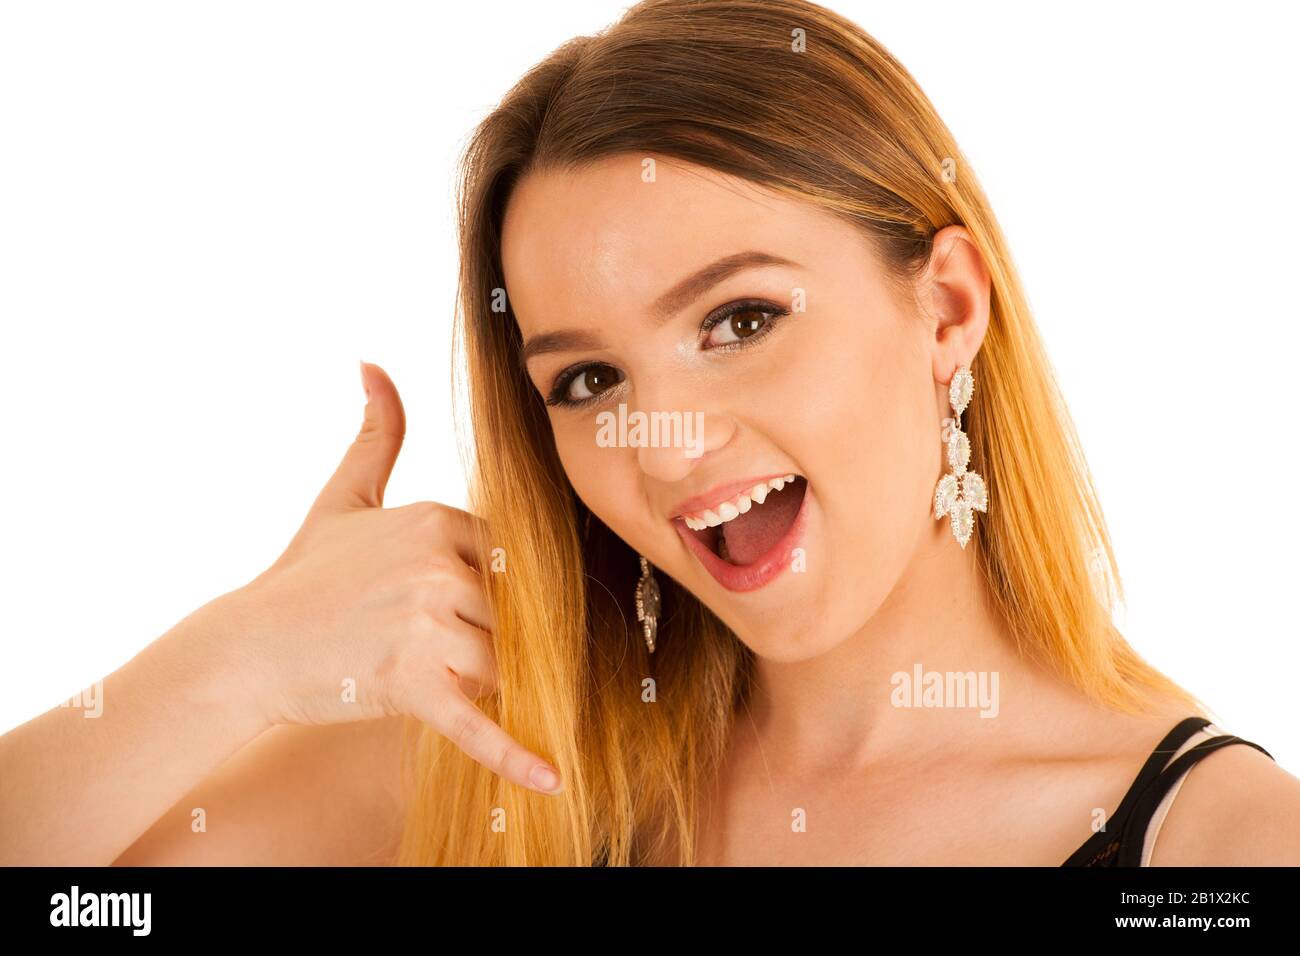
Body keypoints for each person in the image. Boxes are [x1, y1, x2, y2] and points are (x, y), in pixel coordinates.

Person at [3, 0, 1298, 867]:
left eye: (740, 319)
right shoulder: (501, 767)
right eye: (586, 381)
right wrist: (239, 660)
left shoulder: (1211, 849)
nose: (665, 445)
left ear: (948, 308)